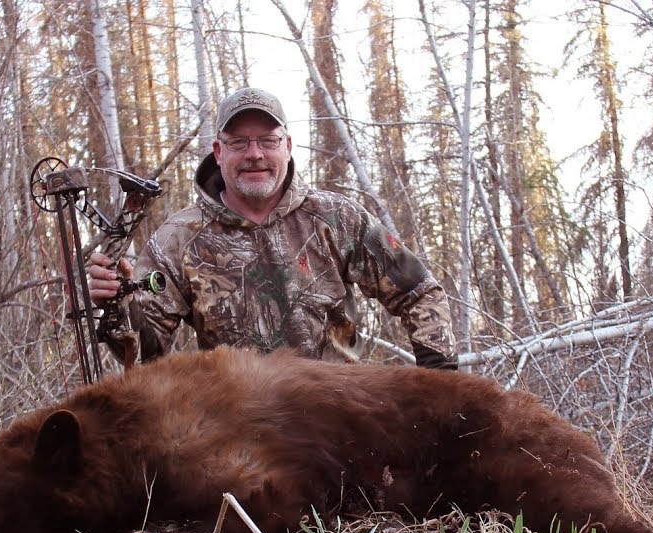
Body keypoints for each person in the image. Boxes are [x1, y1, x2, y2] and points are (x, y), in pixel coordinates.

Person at [86, 86, 458, 370]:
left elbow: (419, 292)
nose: (255, 154)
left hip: (340, 417)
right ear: (219, 151)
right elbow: (144, 355)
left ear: (288, 146)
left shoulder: (336, 217)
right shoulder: (178, 238)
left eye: (268, 140)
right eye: (239, 142)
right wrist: (114, 306)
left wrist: (439, 377)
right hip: (240, 429)